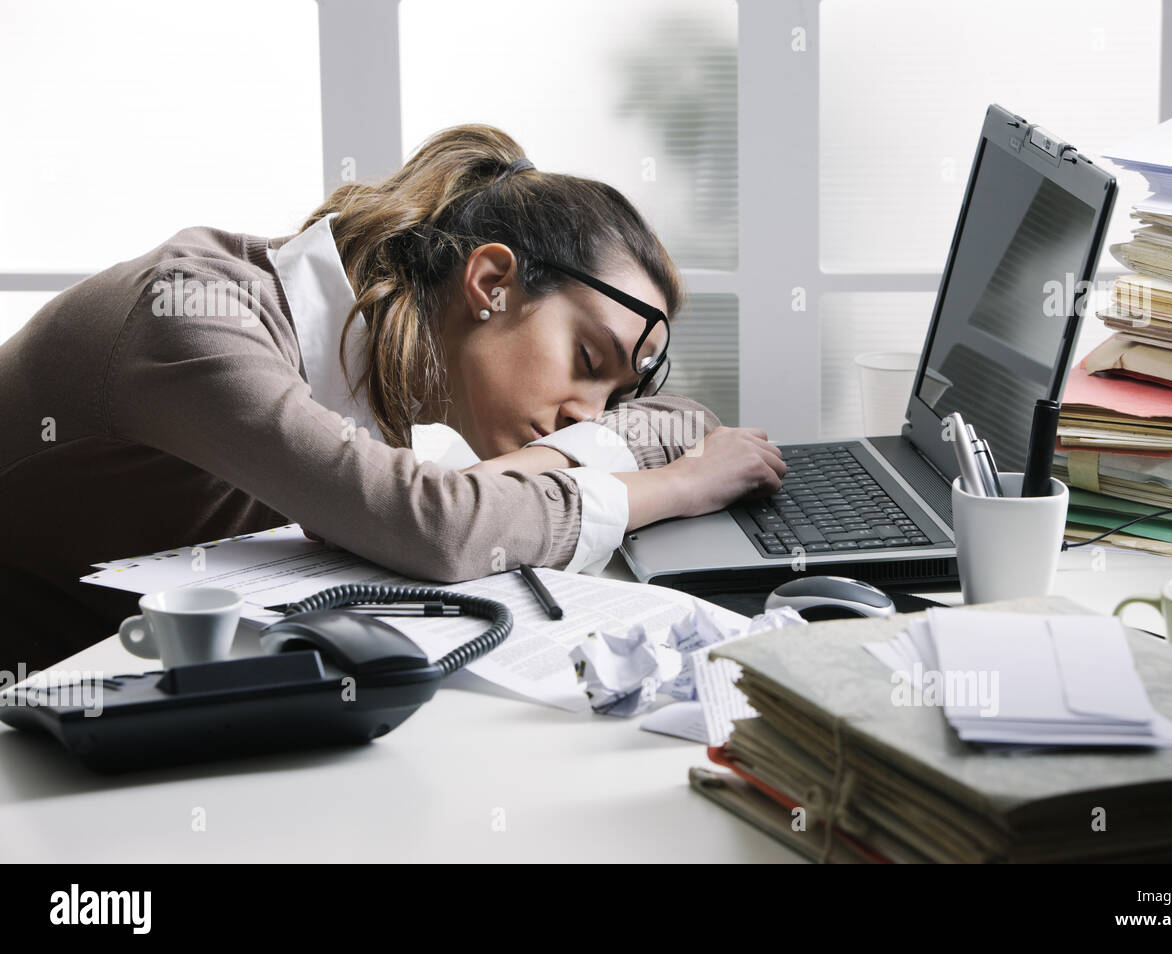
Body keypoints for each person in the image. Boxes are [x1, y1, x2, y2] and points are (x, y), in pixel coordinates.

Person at [0, 123, 785, 672]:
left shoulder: (357, 342)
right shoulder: (194, 319)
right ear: (490, 283)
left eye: (617, 386)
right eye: (588, 358)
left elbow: (684, 421)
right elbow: (435, 526)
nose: (593, 407)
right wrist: (674, 487)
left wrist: (548, 460)